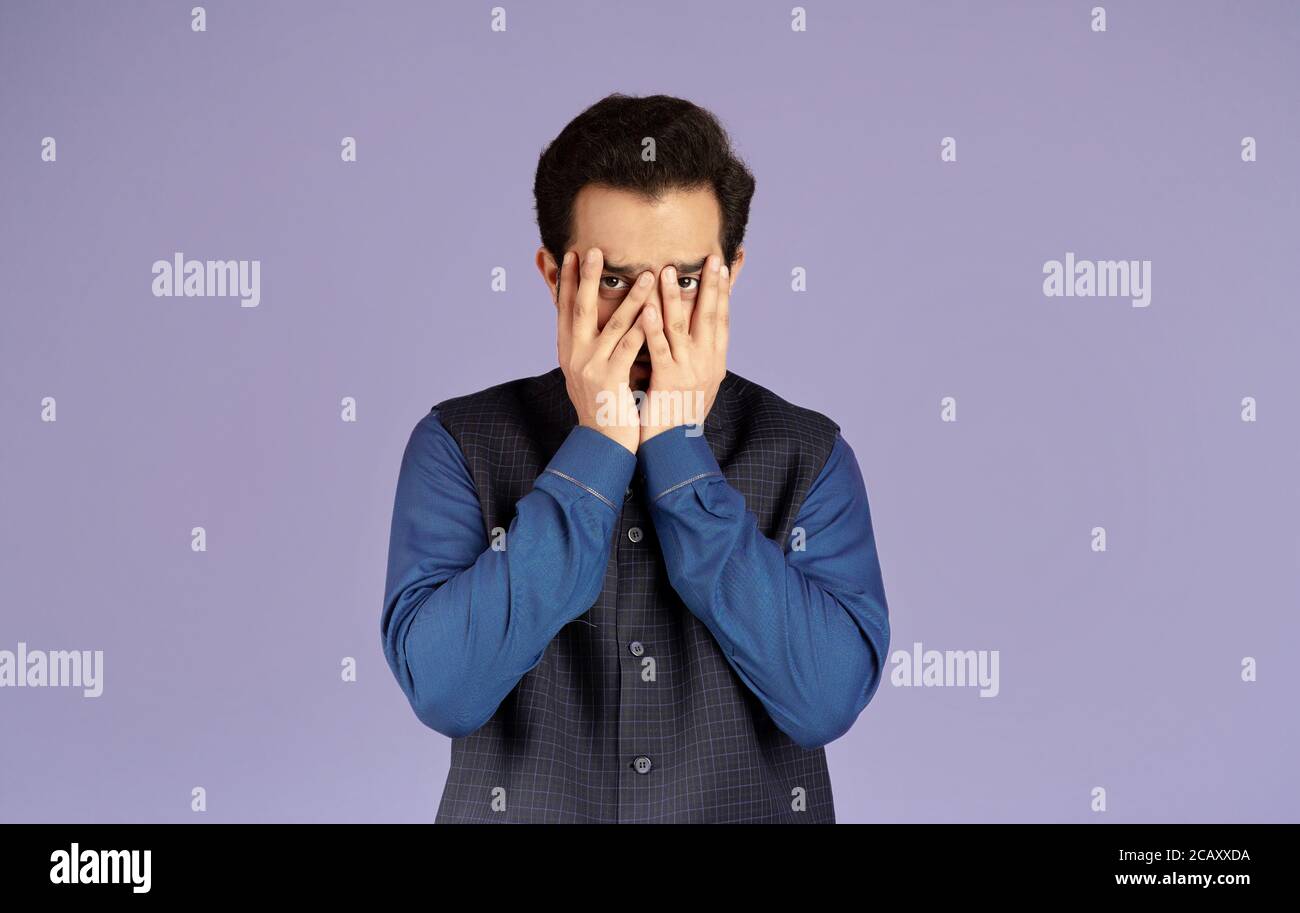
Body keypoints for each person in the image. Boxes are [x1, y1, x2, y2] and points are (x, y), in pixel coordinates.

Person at [381, 92, 890, 823]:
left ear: (731, 275)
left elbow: (825, 699)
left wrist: (681, 459)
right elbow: (445, 688)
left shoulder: (810, 456)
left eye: (684, 280)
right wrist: (600, 444)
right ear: (555, 277)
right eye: (613, 279)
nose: (650, 321)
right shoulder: (457, 445)